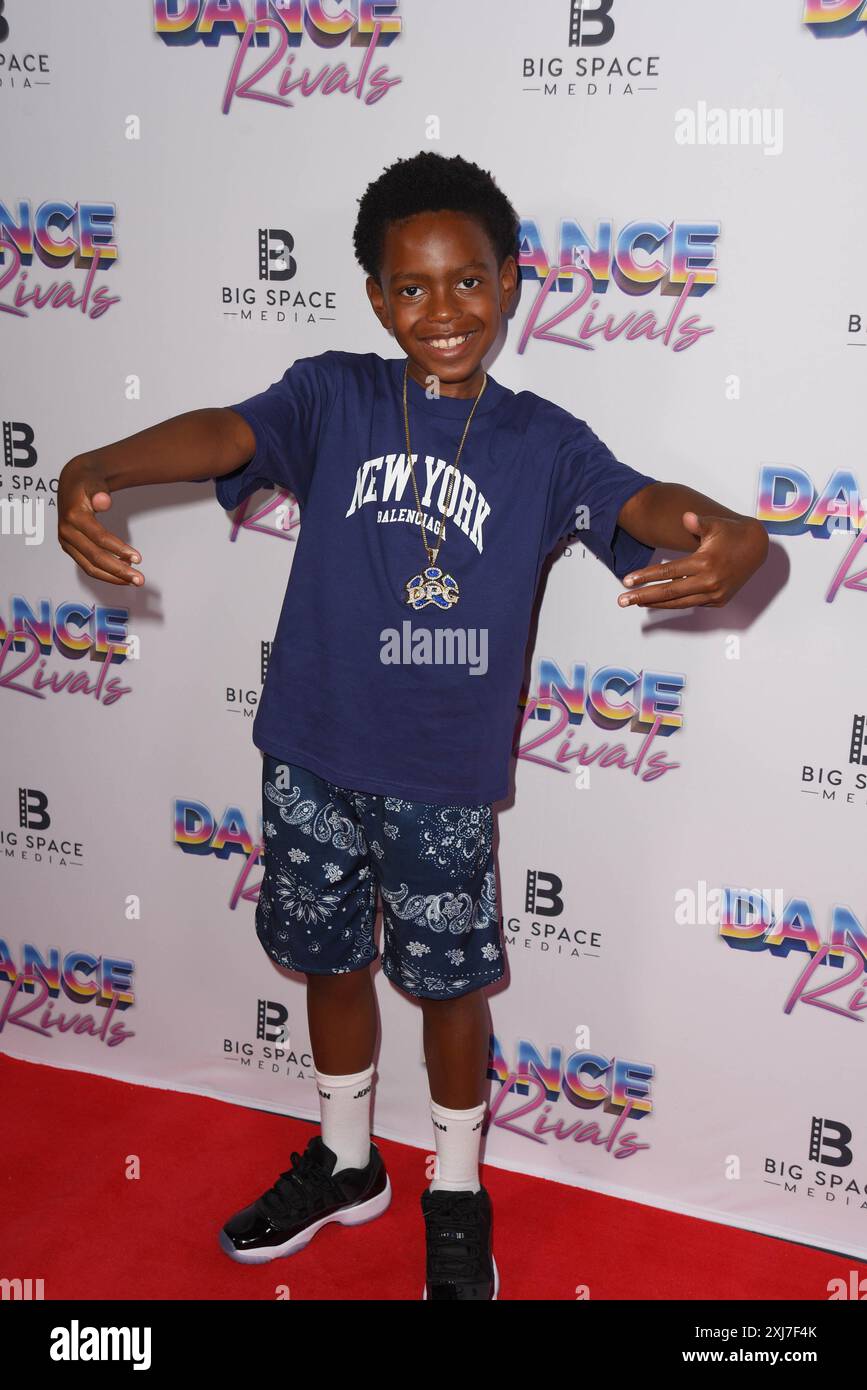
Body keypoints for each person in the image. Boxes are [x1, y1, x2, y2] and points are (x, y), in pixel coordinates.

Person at [57, 151, 769, 1301]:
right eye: (413, 287)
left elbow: (638, 504)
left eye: (469, 281)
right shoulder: (330, 395)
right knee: (328, 963)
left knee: (449, 988)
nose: (443, 311)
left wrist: (732, 526)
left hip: (439, 777)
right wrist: (101, 464)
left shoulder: (542, 440)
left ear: (511, 282)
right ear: (378, 297)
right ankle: (347, 1159)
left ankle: (451, 1181)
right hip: (308, 752)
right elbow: (224, 434)